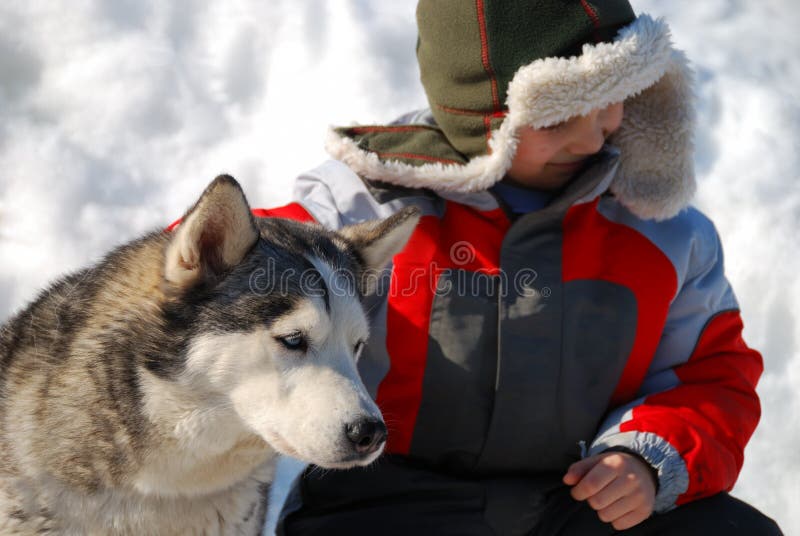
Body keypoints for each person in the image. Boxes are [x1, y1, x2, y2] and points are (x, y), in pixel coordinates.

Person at [263, 1, 783, 534]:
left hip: (585, 501)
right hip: (385, 499)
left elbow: (713, 377)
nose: (592, 137)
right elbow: (221, 273)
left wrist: (647, 459)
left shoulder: (663, 231)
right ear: (479, 113)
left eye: (610, 101)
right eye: (556, 115)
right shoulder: (360, 211)